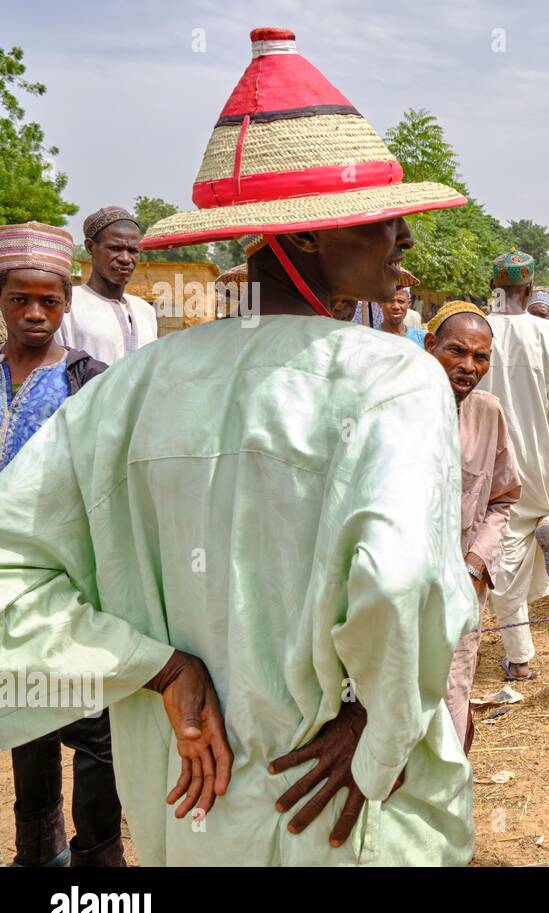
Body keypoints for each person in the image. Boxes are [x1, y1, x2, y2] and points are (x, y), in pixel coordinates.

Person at [0, 27, 479, 866]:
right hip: (335, 811)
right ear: (303, 240)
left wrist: (158, 669)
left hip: (191, 807)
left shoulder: (130, 390)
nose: (405, 242)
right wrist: (377, 729)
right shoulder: (389, 380)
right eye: (384, 221)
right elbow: (401, 581)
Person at [0, 222, 116, 867]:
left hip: (71, 580)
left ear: (67, 301)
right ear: (2, 298)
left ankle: (99, 860)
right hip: (3, 583)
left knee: (95, 725)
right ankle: (35, 853)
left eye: (49, 299)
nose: (35, 312)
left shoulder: (88, 380)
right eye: (20, 299)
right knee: (27, 719)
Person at [480, 250, 549, 681]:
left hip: (494, 461)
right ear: (528, 289)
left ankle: (520, 659)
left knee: (503, 557)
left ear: (495, 289)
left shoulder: (477, 330)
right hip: (544, 456)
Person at [425, 304, 521, 751]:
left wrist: (476, 563)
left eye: (480, 358)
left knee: (452, 696)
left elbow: (503, 499)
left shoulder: (488, 413)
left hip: (462, 591)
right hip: (400, 590)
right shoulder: (394, 409)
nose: (468, 366)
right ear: (430, 347)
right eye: (456, 352)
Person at [54, 207, 159, 364]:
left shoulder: (145, 310)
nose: (125, 258)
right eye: (115, 248)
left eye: (133, 250)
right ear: (90, 247)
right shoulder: (69, 305)